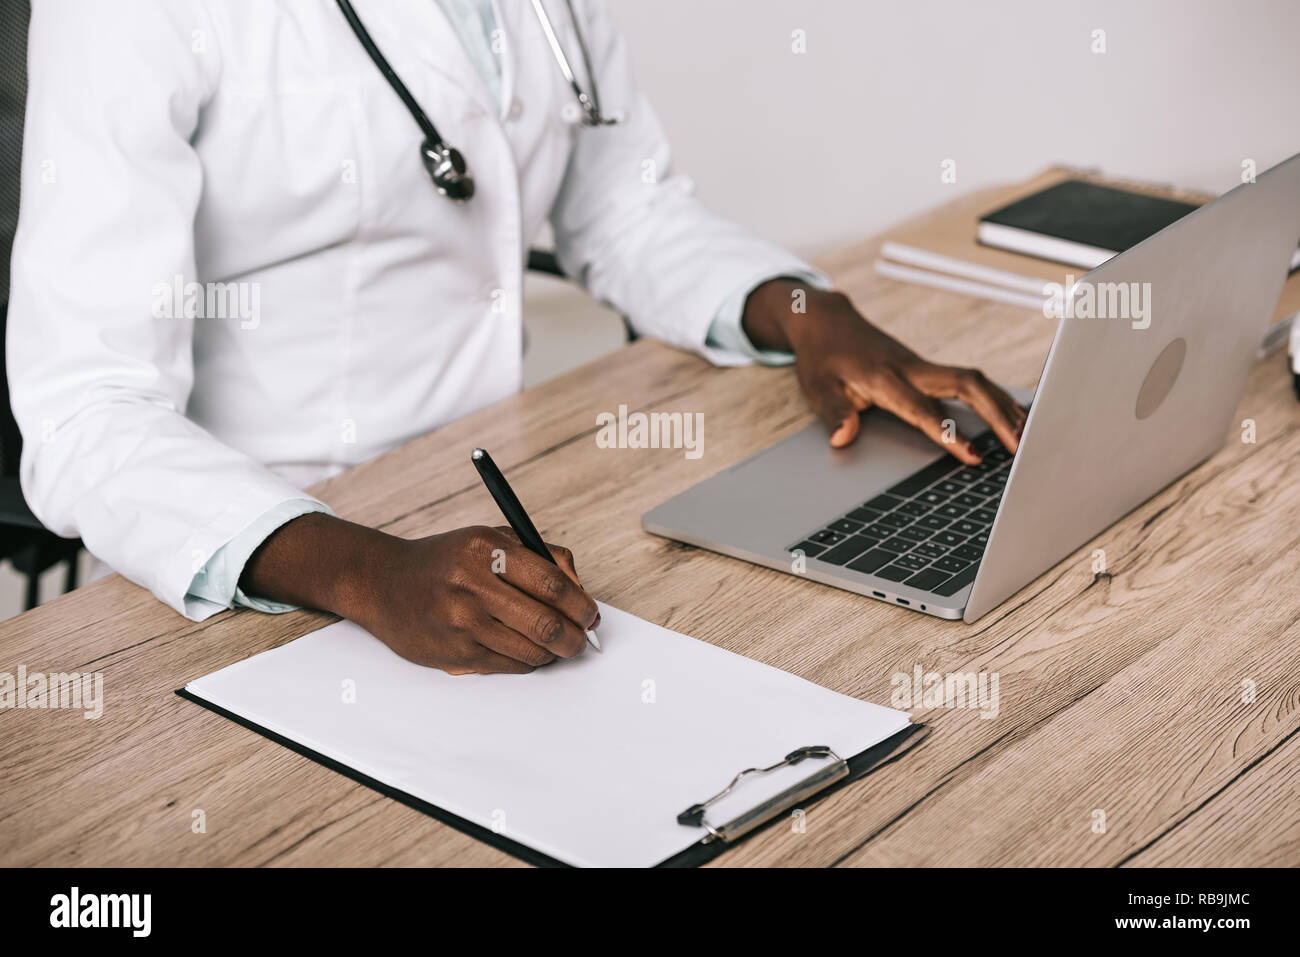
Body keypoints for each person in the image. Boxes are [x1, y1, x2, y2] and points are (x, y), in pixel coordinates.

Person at [7, 0, 1024, 673]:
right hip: (260, 554)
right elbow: (83, 408)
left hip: (504, 497)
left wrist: (812, 316)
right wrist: (364, 573)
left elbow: (623, 209)